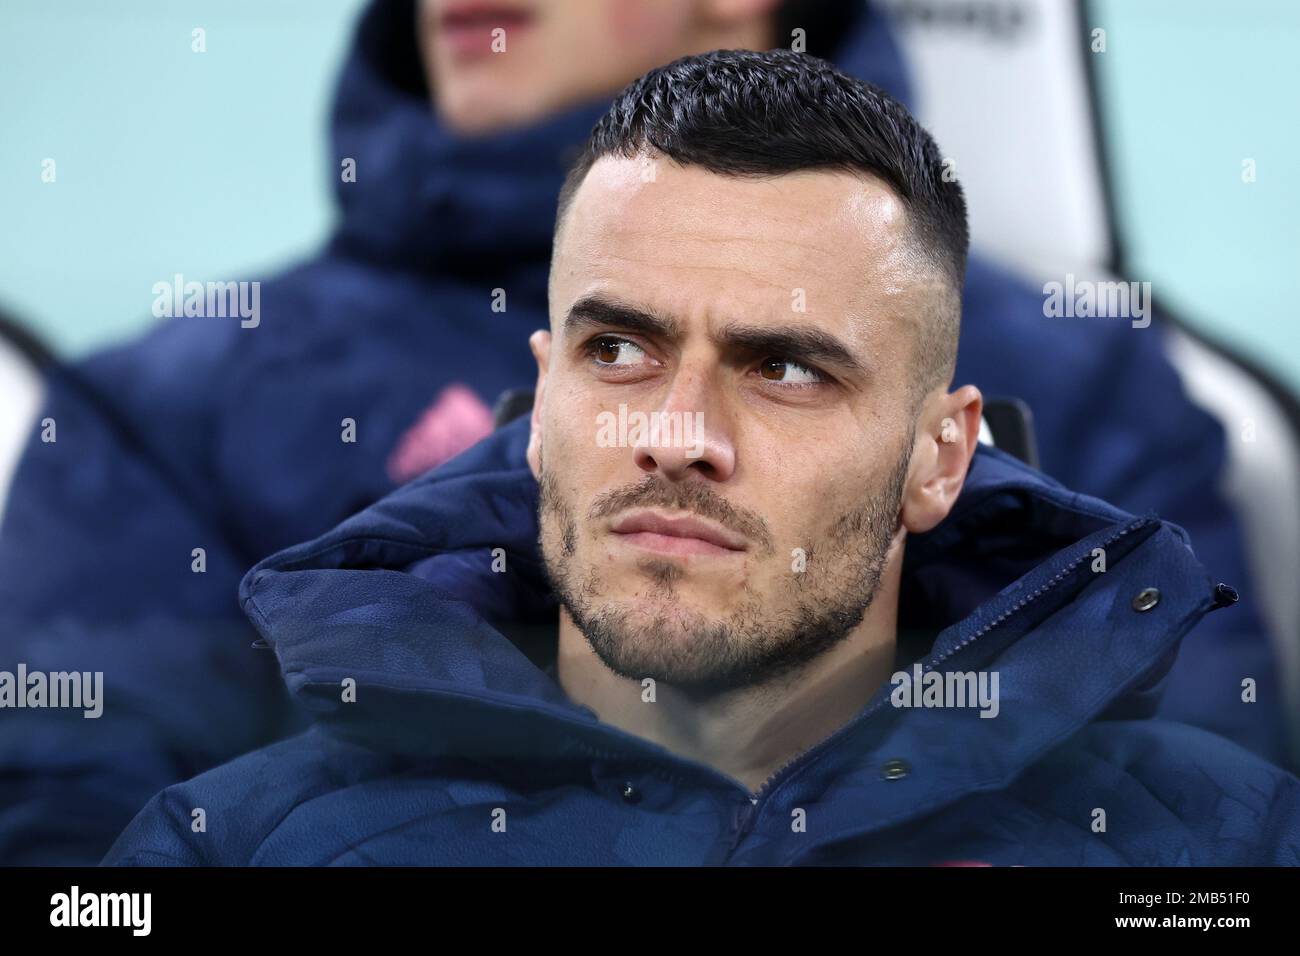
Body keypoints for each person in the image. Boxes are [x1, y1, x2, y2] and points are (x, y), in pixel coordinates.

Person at [1, 0, 1285, 866]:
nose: (678, 434)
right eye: (614, 351)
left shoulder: (1088, 378)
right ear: (539, 389)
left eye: (787, 365)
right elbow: (69, 847)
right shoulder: (165, 403)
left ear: (946, 449)